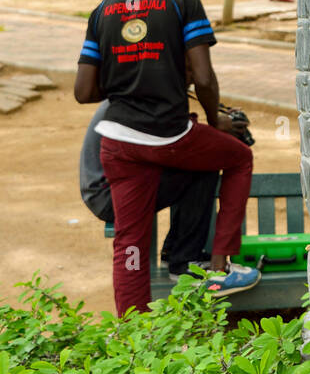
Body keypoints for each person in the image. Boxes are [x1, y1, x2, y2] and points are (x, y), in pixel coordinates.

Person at [73, 0, 260, 315]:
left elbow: (84, 91)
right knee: (238, 156)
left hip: (118, 144)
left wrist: (130, 74)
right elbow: (204, 77)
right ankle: (221, 265)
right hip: (167, 134)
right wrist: (215, 120)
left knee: (129, 244)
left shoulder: (103, 8)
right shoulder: (181, 1)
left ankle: (134, 334)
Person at [80, 99, 219, 281]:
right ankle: (183, 261)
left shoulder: (130, 95)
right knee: (202, 168)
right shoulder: (138, 102)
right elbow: (166, 150)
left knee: (191, 166)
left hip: (104, 191)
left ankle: (174, 253)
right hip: (109, 196)